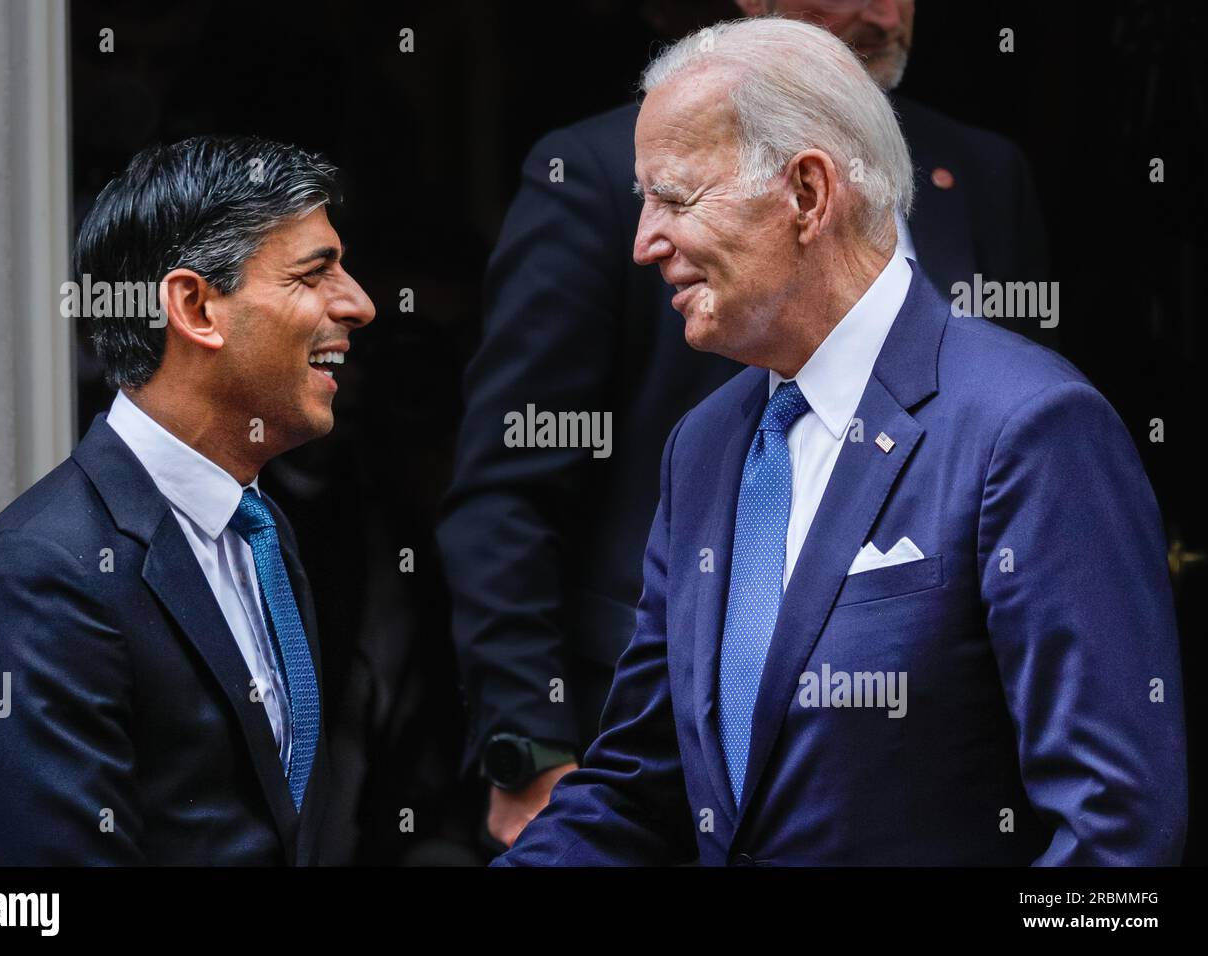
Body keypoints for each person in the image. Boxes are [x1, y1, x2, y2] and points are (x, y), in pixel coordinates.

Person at [497, 17, 1186, 865]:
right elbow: (640, 785)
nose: (644, 242)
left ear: (809, 195)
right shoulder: (705, 445)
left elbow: (1116, 835)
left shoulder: (1030, 428)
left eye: (674, 198)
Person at [0, 136, 376, 865]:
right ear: (195, 306)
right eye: (313, 274)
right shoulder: (36, 577)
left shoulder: (261, 531)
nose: (358, 303)